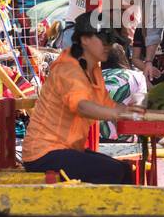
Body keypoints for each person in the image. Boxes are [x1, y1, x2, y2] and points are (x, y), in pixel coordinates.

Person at [22, 12, 138, 184]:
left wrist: (148, 113)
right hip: (44, 153)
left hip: (63, 150)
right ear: (84, 39)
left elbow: (108, 105)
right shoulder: (69, 68)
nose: (108, 45)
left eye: (110, 40)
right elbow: (82, 106)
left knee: (126, 170)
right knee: (115, 171)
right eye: (103, 39)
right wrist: (116, 113)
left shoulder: (93, 70)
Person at [99, 40, 149, 140]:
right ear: (122, 57)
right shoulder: (137, 76)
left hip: (94, 137)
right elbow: (139, 110)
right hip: (125, 136)